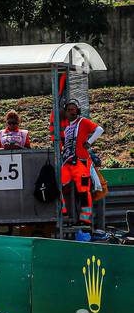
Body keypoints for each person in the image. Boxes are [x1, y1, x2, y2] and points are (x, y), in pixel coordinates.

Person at [60, 99, 103, 235]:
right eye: (69, 110)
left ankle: (85, 220)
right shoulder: (67, 128)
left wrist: (89, 142)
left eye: (73, 109)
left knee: (83, 191)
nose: (71, 112)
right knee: (61, 186)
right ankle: (65, 213)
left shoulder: (83, 121)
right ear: (65, 113)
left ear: (77, 110)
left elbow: (99, 129)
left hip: (81, 162)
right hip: (67, 162)